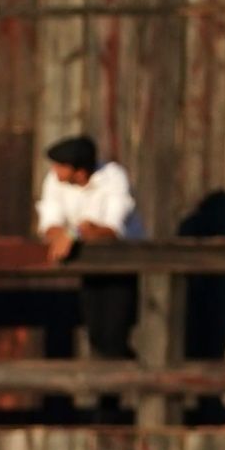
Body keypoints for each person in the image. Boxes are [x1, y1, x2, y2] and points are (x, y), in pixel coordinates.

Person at [32, 135, 145, 359]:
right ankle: (118, 384)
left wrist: (74, 232)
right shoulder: (54, 181)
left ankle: (121, 385)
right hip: (89, 265)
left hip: (121, 265)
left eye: (61, 166)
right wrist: (72, 232)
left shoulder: (113, 178)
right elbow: (49, 224)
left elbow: (112, 230)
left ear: (80, 171)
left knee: (115, 333)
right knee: (96, 335)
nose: (54, 170)